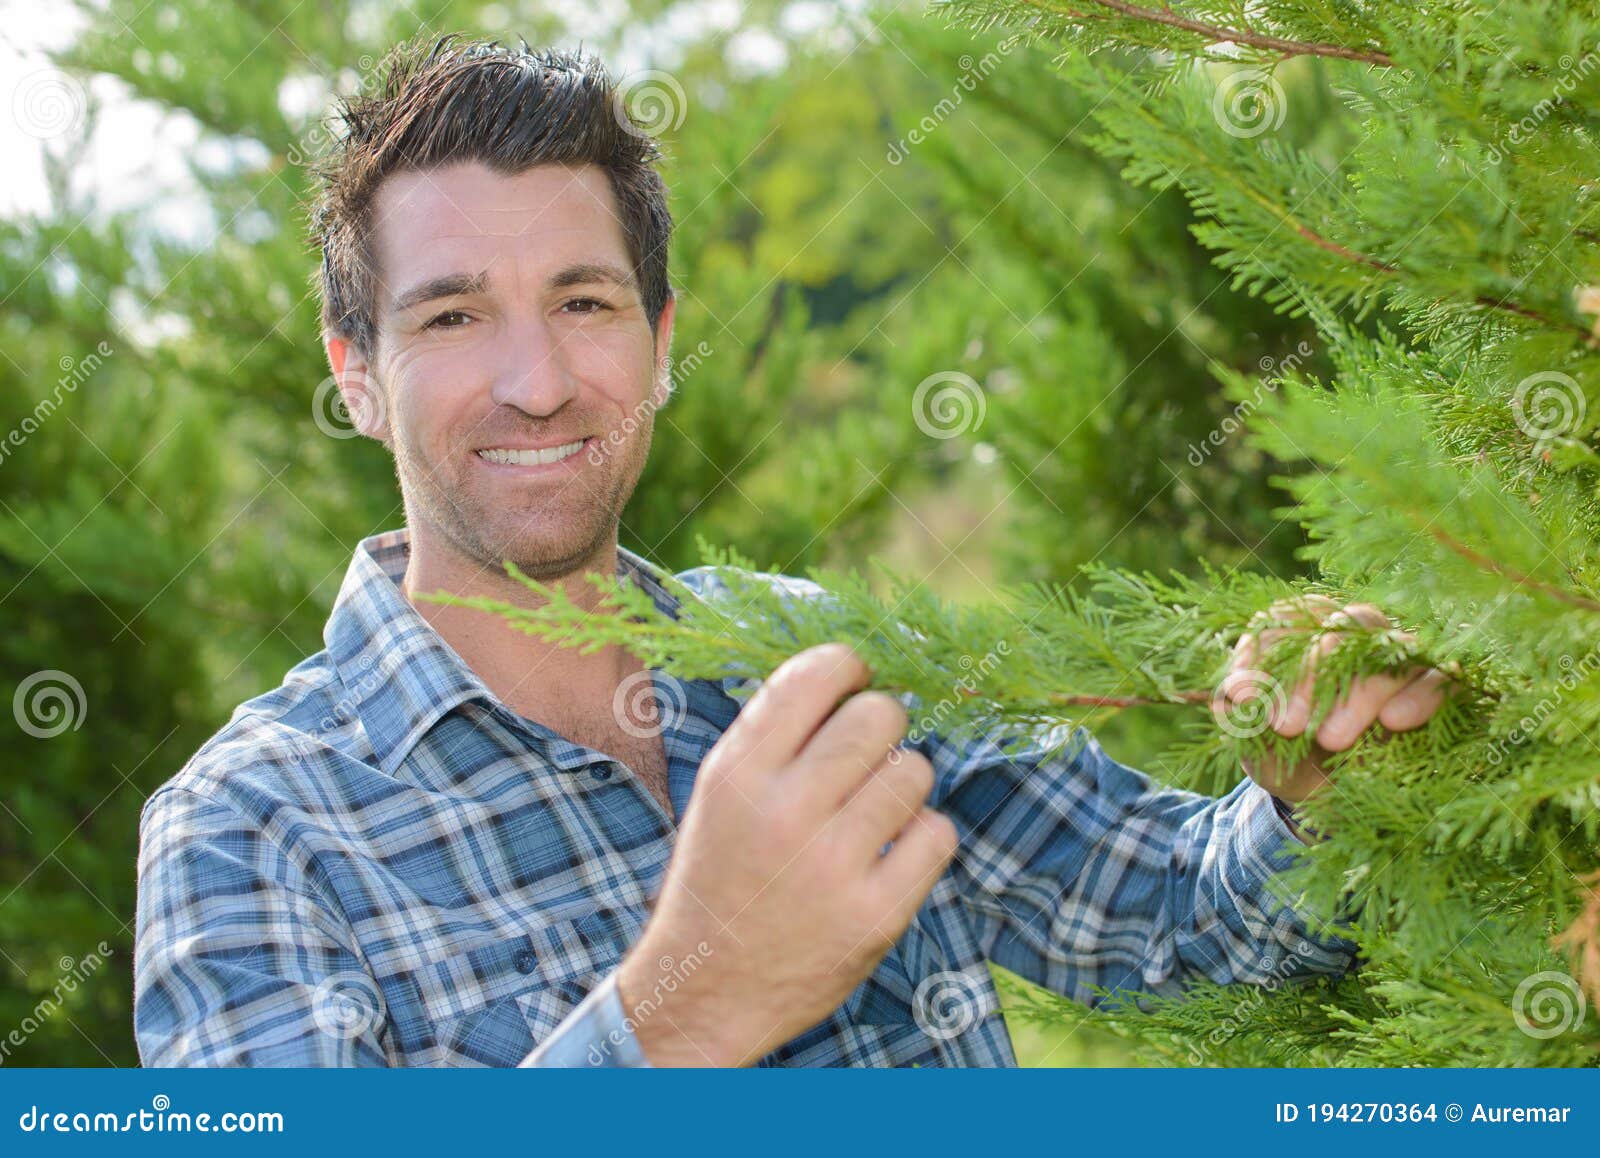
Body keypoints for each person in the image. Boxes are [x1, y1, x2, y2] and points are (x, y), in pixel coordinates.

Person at [132, 35, 1449, 1068]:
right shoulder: (251, 831)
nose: (537, 382)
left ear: (659, 342)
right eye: (453, 317)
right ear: (356, 375)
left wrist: (1311, 797)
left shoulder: (818, 666)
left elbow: (1191, 930)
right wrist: (685, 1007)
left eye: (584, 302)